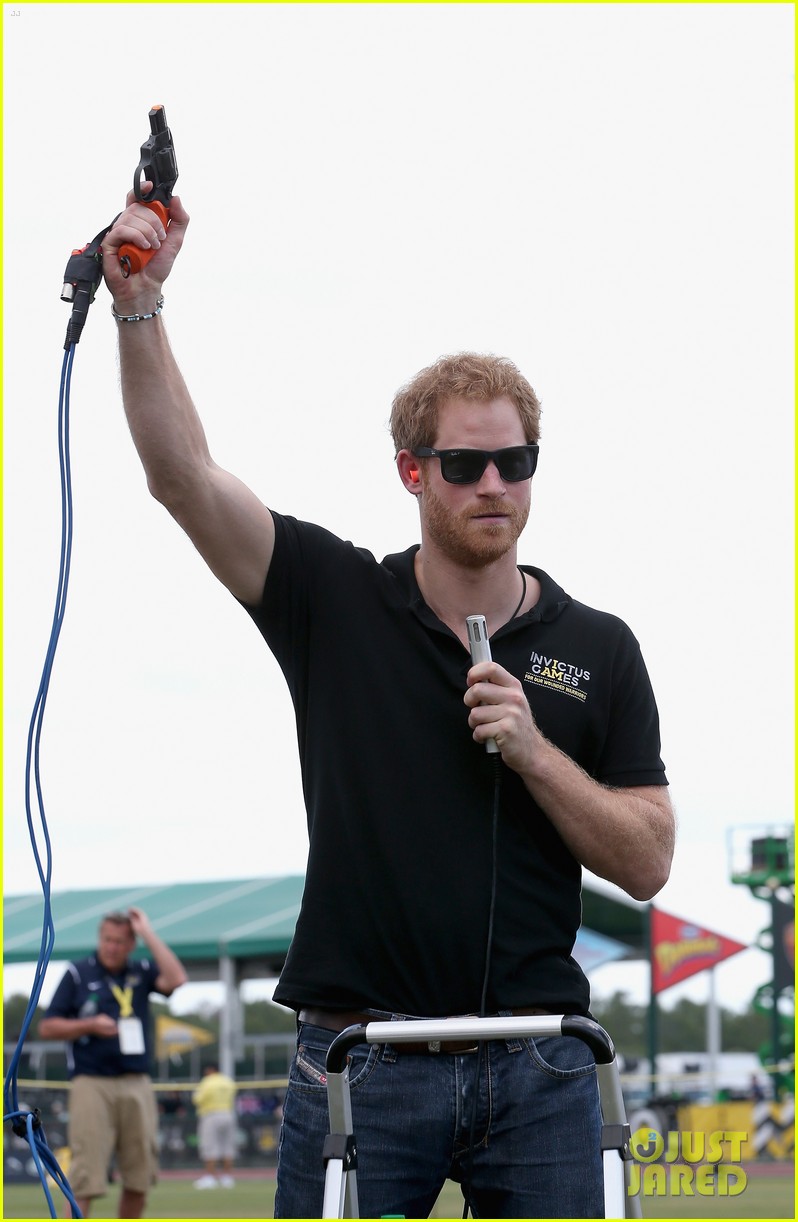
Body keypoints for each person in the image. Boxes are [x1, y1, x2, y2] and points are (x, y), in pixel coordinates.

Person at [98, 190, 675, 1220]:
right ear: (413, 470)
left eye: (516, 461)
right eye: (464, 464)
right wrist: (138, 305)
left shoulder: (600, 645)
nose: (493, 482)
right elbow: (182, 477)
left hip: (541, 1061)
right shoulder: (334, 597)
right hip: (362, 1053)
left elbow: (647, 862)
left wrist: (536, 753)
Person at [38, 909, 188, 1218]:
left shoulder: (141, 970)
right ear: (99, 938)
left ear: (131, 944)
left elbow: (176, 978)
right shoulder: (78, 973)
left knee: (139, 1176)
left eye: (120, 941)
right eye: (107, 939)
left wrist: (146, 931)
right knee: (84, 1177)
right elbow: (48, 1027)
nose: (112, 947)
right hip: (91, 1082)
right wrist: (89, 1024)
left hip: (137, 1082)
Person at [191, 1062, 238, 1189]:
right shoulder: (228, 1081)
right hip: (228, 1113)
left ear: (210, 1070)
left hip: (210, 1114)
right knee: (227, 1145)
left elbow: (197, 1099)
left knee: (209, 1146)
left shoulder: (207, 1082)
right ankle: (227, 1177)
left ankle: (210, 1176)